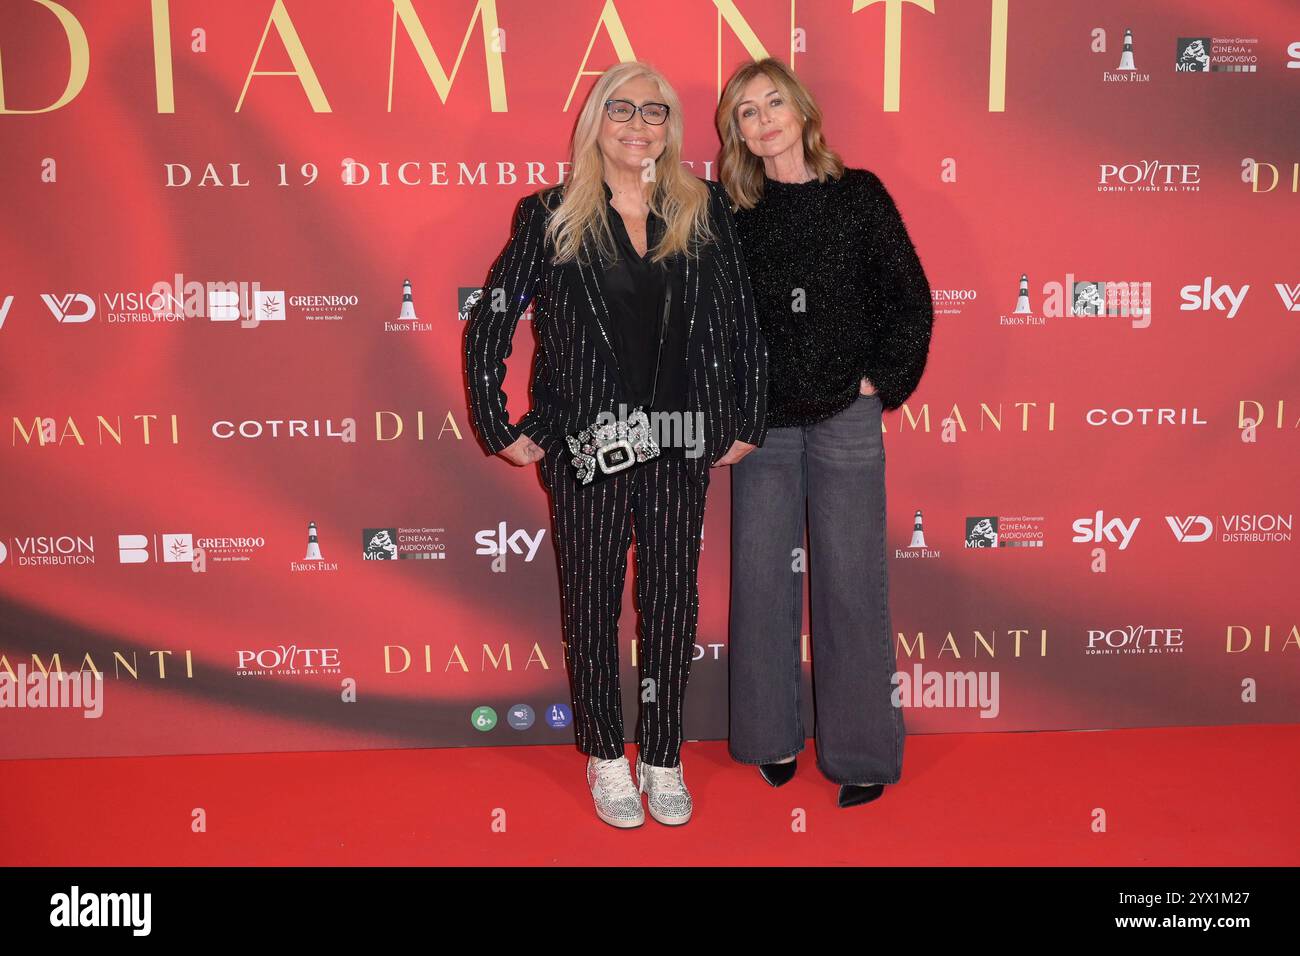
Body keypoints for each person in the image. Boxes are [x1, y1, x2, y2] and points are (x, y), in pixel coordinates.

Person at [464, 61, 767, 828]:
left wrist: (744, 419)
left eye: (656, 112)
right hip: (588, 444)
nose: (639, 125)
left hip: (678, 440)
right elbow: (491, 319)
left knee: (670, 603)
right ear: (596, 120)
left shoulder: (704, 211)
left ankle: (661, 755)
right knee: (592, 605)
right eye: (622, 109)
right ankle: (606, 755)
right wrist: (502, 428)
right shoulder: (550, 215)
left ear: (671, 126)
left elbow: (742, 325)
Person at [715, 56, 933, 808]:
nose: (764, 118)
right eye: (747, 111)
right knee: (761, 580)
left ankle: (863, 752)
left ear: (803, 110)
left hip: (847, 413)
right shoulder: (731, 212)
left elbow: (910, 299)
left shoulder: (859, 195)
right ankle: (768, 738)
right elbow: (714, 320)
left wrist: (879, 382)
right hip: (762, 422)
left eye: (773, 101)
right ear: (735, 133)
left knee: (851, 581)